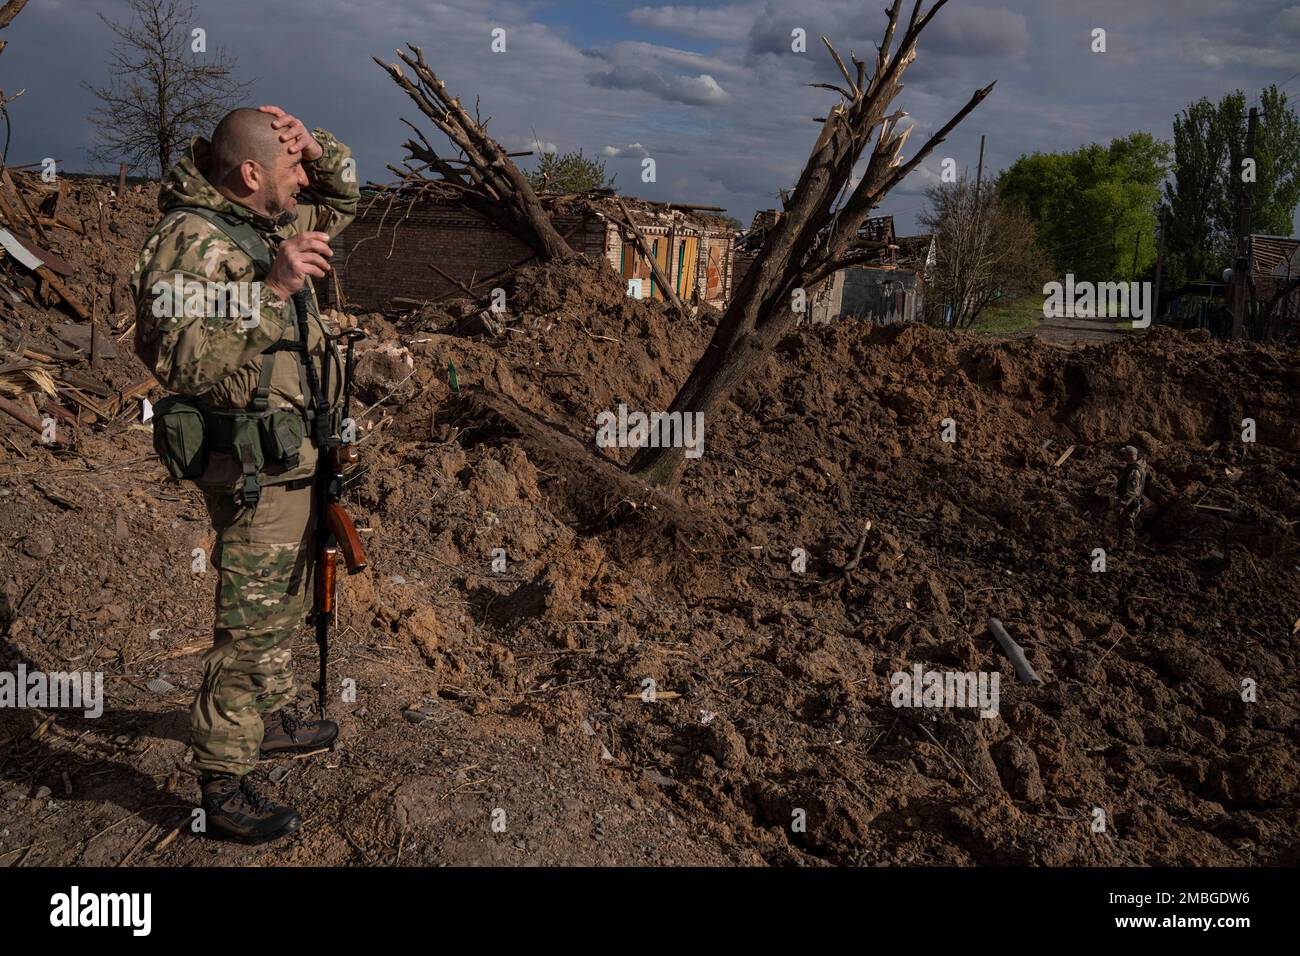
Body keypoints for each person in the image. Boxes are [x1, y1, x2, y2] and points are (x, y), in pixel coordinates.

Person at [131, 105, 359, 843]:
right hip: (251, 462)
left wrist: (316, 144)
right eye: (293, 168)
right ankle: (222, 783)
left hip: (294, 456)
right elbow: (182, 361)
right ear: (251, 174)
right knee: (249, 628)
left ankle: (267, 718)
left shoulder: (267, 226)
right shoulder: (189, 241)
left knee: (282, 605)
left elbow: (347, 199)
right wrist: (274, 293)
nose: (305, 181)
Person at [1115, 445, 1148, 552]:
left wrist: (1122, 504)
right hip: (1130, 503)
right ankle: (1121, 547)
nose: (1122, 456)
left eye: (1124, 454)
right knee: (1123, 526)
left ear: (1128, 456)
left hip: (1130, 504)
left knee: (1127, 527)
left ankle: (1128, 550)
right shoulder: (1132, 468)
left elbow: (1133, 491)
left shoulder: (1135, 472)